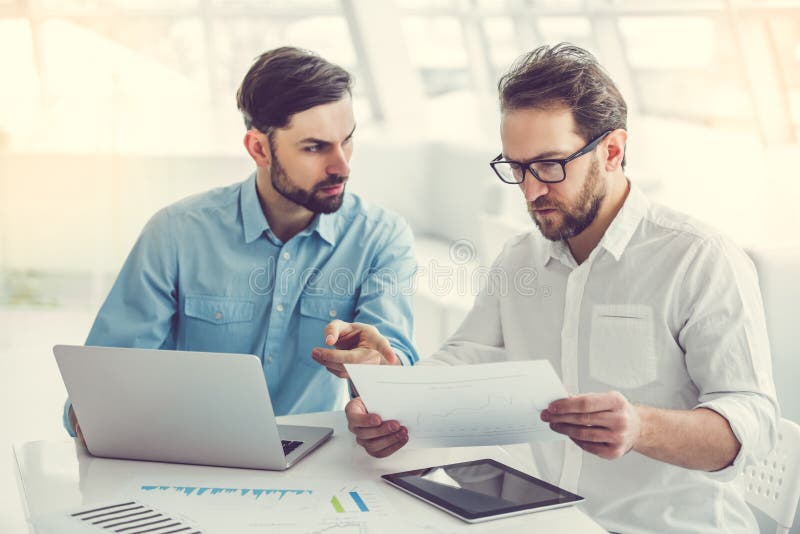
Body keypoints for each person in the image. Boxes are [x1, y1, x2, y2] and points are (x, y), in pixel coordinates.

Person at [312, 44, 778, 533]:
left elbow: (752, 421)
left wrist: (642, 427)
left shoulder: (698, 257)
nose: (531, 192)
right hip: (546, 521)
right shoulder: (520, 258)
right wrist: (392, 387)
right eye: (517, 168)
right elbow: (463, 360)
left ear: (612, 152)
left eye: (550, 165)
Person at [64, 46, 418, 439]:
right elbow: (95, 392)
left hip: (315, 464)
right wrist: (96, 407)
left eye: (347, 141)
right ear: (259, 148)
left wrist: (381, 375)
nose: (342, 166)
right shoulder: (176, 234)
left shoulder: (381, 237)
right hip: (190, 454)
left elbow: (393, 367)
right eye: (315, 147)